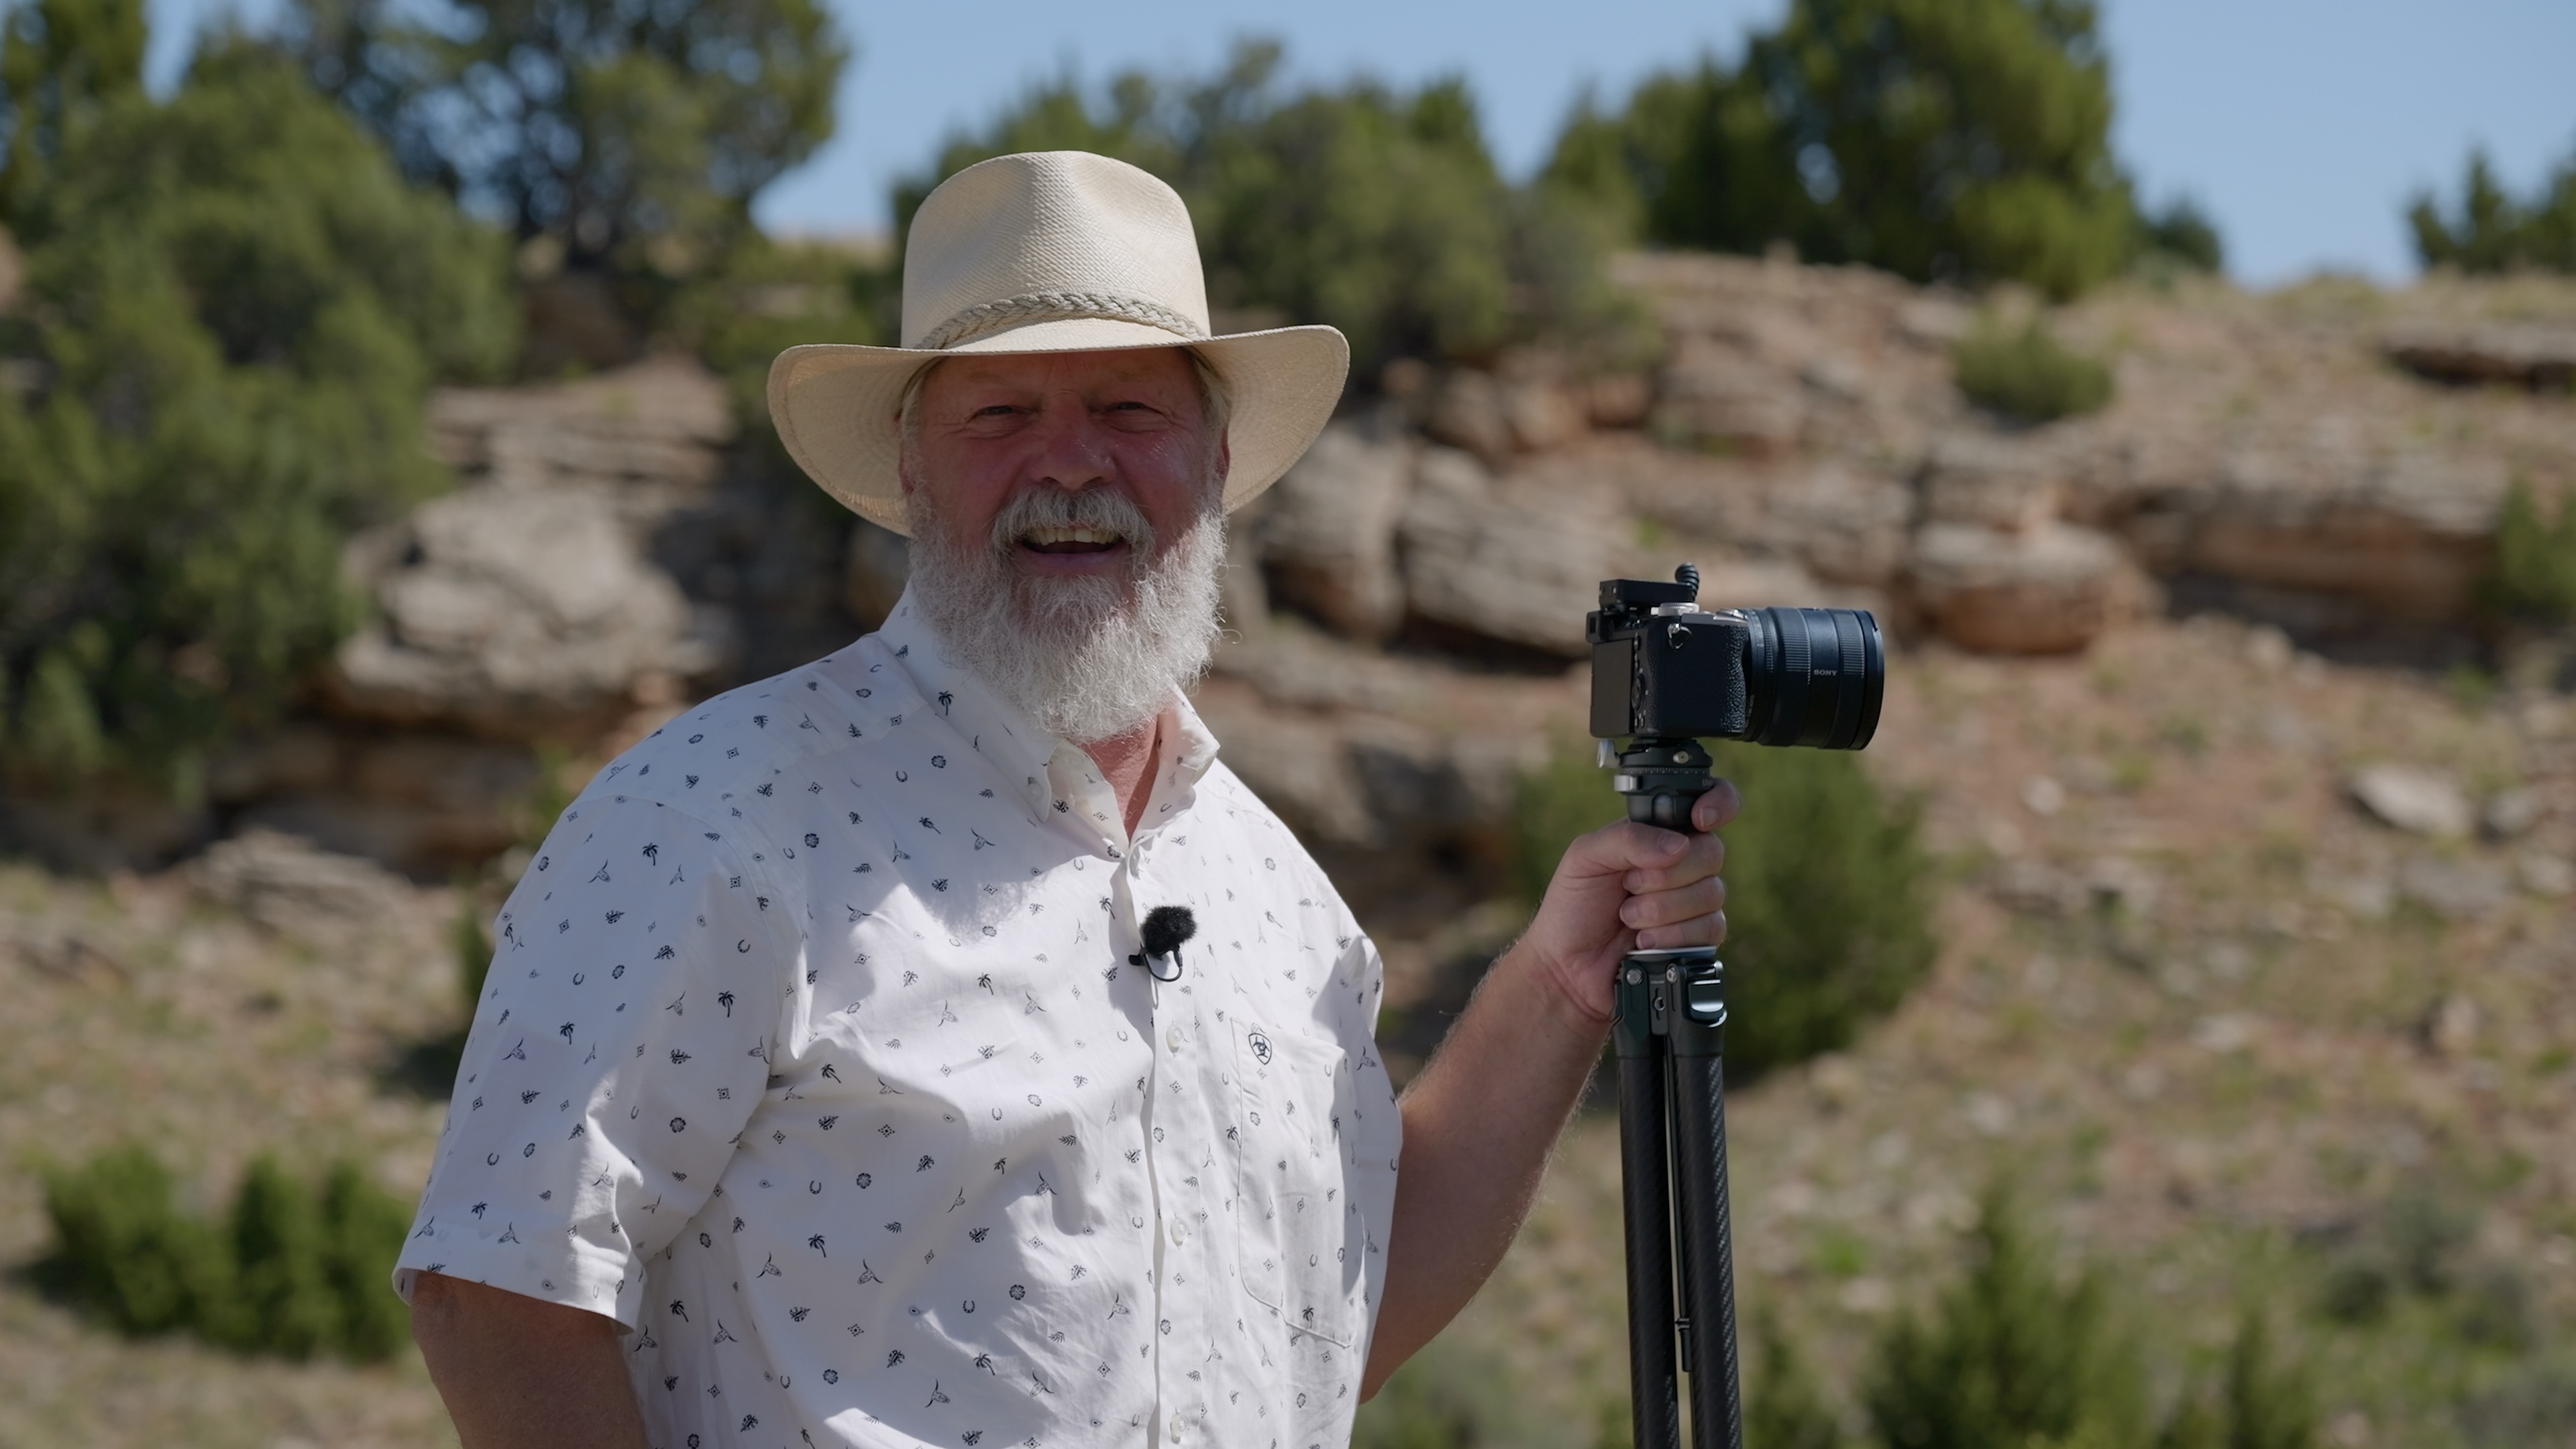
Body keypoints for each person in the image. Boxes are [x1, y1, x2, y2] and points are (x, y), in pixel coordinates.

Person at [398, 150, 1735, 1449]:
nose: (1071, 465)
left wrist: (1560, 990)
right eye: (1000, 415)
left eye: (1129, 410)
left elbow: (1336, 1319)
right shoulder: (709, 819)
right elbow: (499, 1286)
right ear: (909, 467)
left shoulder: (1279, 896)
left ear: (1217, 461)